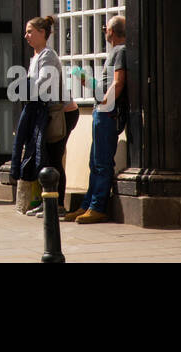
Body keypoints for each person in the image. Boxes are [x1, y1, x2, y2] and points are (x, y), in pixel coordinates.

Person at [67, 15, 129, 225]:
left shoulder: (120, 51)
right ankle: (87, 205)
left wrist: (104, 102)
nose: (104, 31)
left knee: (101, 162)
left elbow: (118, 82)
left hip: (107, 112)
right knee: (94, 161)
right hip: (102, 110)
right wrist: (89, 83)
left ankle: (97, 207)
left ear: (112, 31)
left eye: (105, 28)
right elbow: (109, 84)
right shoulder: (116, 51)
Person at [12, 15, 61, 214]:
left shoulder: (48, 55)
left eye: (30, 31)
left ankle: (56, 205)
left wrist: (23, 90)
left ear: (42, 33)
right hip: (41, 111)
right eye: (26, 32)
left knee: (52, 159)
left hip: (53, 113)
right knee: (43, 156)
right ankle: (45, 201)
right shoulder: (37, 56)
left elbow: (41, 84)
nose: (26, 36)